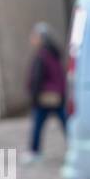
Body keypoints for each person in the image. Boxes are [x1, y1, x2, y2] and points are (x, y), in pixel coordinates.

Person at [24, 23, 67, 162]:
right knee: (65, 123)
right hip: (57, 95)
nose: (32, 38)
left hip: (45, 97)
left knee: (38, 124)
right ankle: (77, 147)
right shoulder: (53, 53)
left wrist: (33, 97)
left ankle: (34, 152)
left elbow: (37, 78)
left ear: (41, 38)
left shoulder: (42, 55)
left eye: (34, 36)